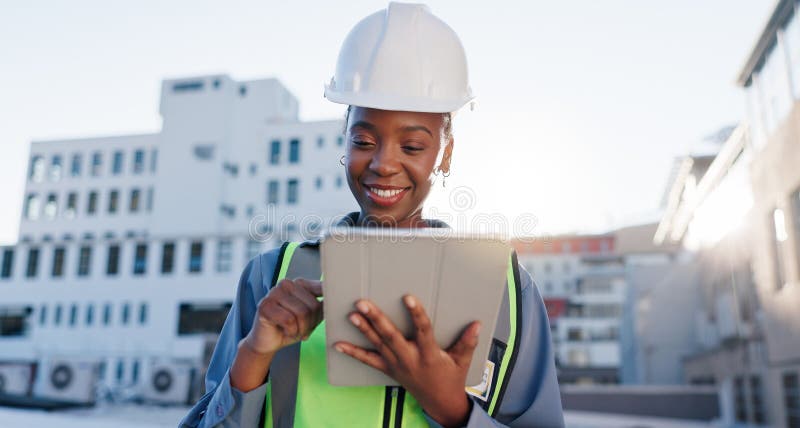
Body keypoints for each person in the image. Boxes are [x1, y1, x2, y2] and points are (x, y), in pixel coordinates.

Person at [180, 2, 564, 427]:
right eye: (364, 141)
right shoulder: (272, 277)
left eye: (413, 146)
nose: (383, 163)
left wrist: (453, 410)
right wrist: (255, 353)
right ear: (344, 142)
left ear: (445, 153)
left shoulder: (505, 292)